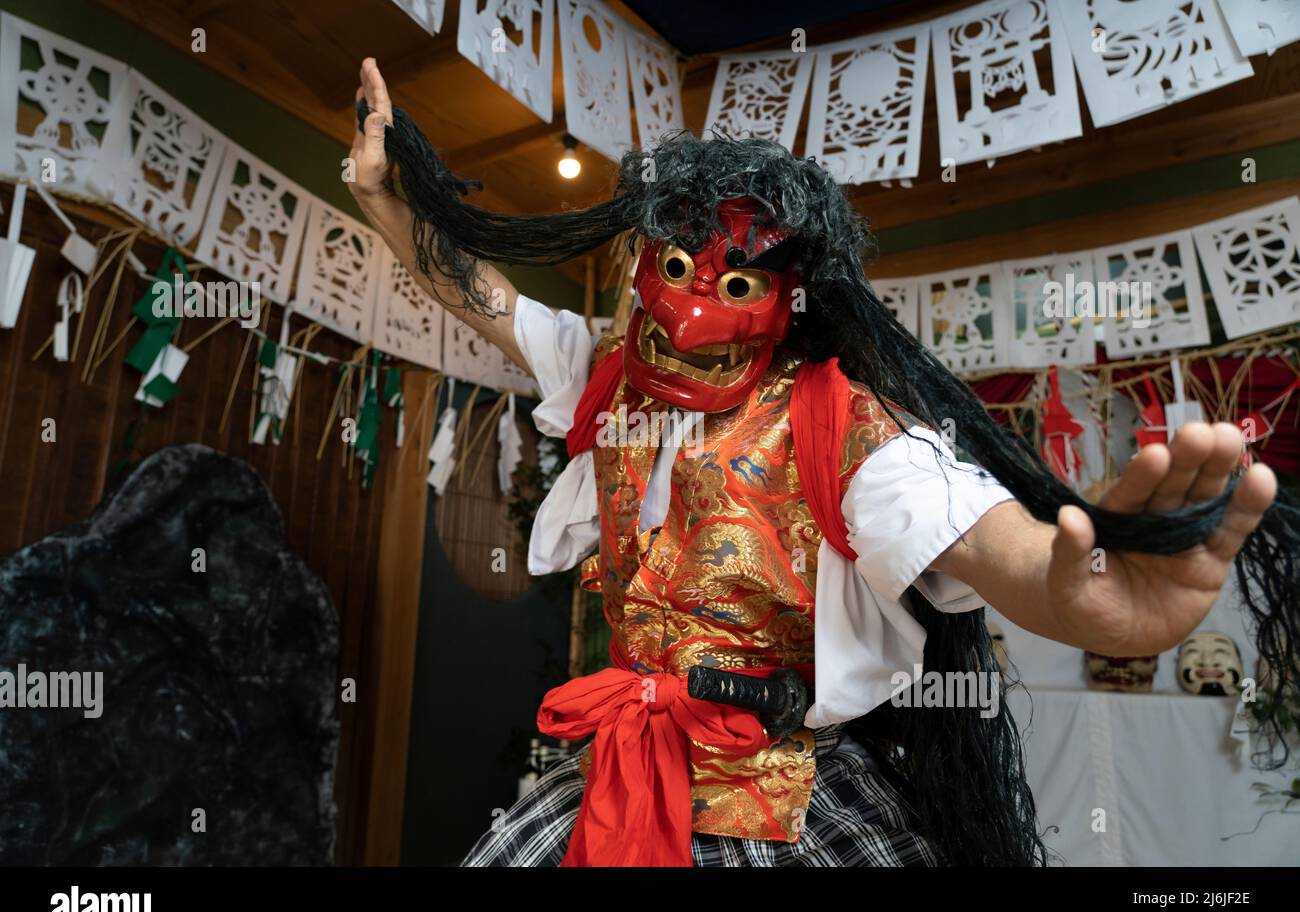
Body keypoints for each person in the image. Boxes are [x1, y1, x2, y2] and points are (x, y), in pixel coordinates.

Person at [347, 58, 1292, 867]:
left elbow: (979, 538)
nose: (693, 304)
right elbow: (478, 293)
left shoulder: (839, 420)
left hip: (786, 797)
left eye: (737, 281)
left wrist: (1076, 591)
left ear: (786, 291)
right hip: (615, 764)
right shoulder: (604, 368)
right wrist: (385, 193)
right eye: (676, 269)